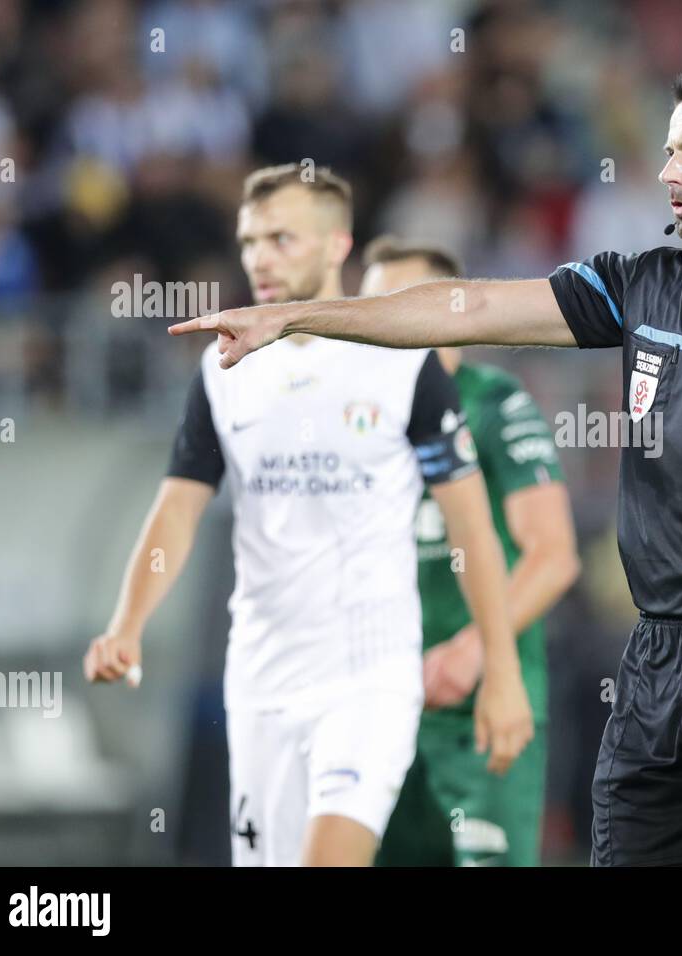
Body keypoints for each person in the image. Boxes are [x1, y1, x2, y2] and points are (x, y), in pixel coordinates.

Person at [171, 68, 682, 867]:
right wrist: (299, 316)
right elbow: (469, 307)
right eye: (667, 152)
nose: (667, 173)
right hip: (656, 652)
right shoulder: (643, 285)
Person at [85, 164, 532, 867]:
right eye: (250, 240)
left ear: (335, 247)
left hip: (367, 677)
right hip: (261, 679)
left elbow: (472, 527)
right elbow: (177, 508)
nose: (260, 257)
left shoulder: (402, 360)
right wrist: (128, 623)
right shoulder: (221, 368)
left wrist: (500, 672)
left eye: (282, 238)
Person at [360, 236, 580, 866]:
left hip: (478, 708)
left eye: (403, 304)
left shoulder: (493, 405)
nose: (381, 323)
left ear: (453, 313)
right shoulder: (358, 419)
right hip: (375, 712)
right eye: (371, 306)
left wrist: (473, 649)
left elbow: (554, 555)